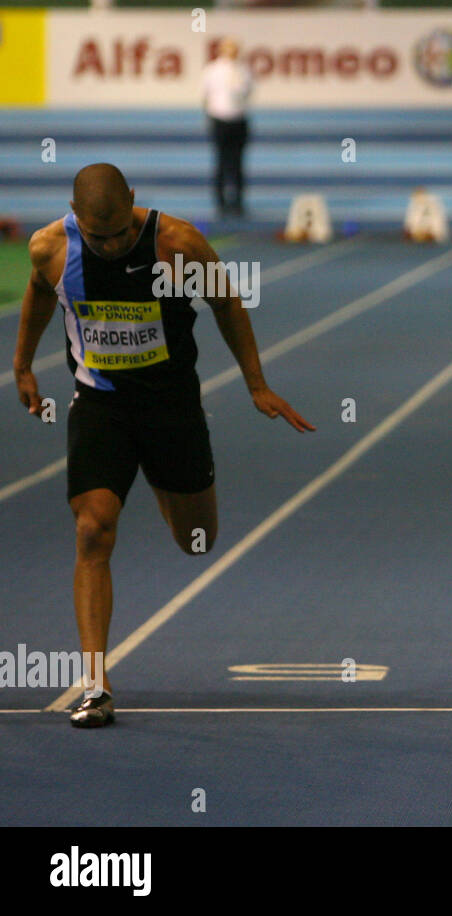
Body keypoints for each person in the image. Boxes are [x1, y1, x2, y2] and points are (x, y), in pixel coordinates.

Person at [12, 163, 314, 727]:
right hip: (100, 404)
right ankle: (96, 687)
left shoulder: (179, 245)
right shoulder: (50, 248)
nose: (110, 245)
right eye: (97, 238)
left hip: (171, 407)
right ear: (75, 217)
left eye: (120, 233)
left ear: (133, 200)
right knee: (92, 528)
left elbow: (226, 304)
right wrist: (23, 364)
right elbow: (37, 295)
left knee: (197, 542)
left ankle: (158, 479)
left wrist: (256, 384)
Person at [201, 38, 253, 218]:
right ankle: (221, 202)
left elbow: (247, 93)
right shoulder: (213, 70)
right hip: (221, 119)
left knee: (237, 162)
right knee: (222, 162)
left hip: (237, 119)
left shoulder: (243, 70)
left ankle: (236, 202)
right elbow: (205, 95)